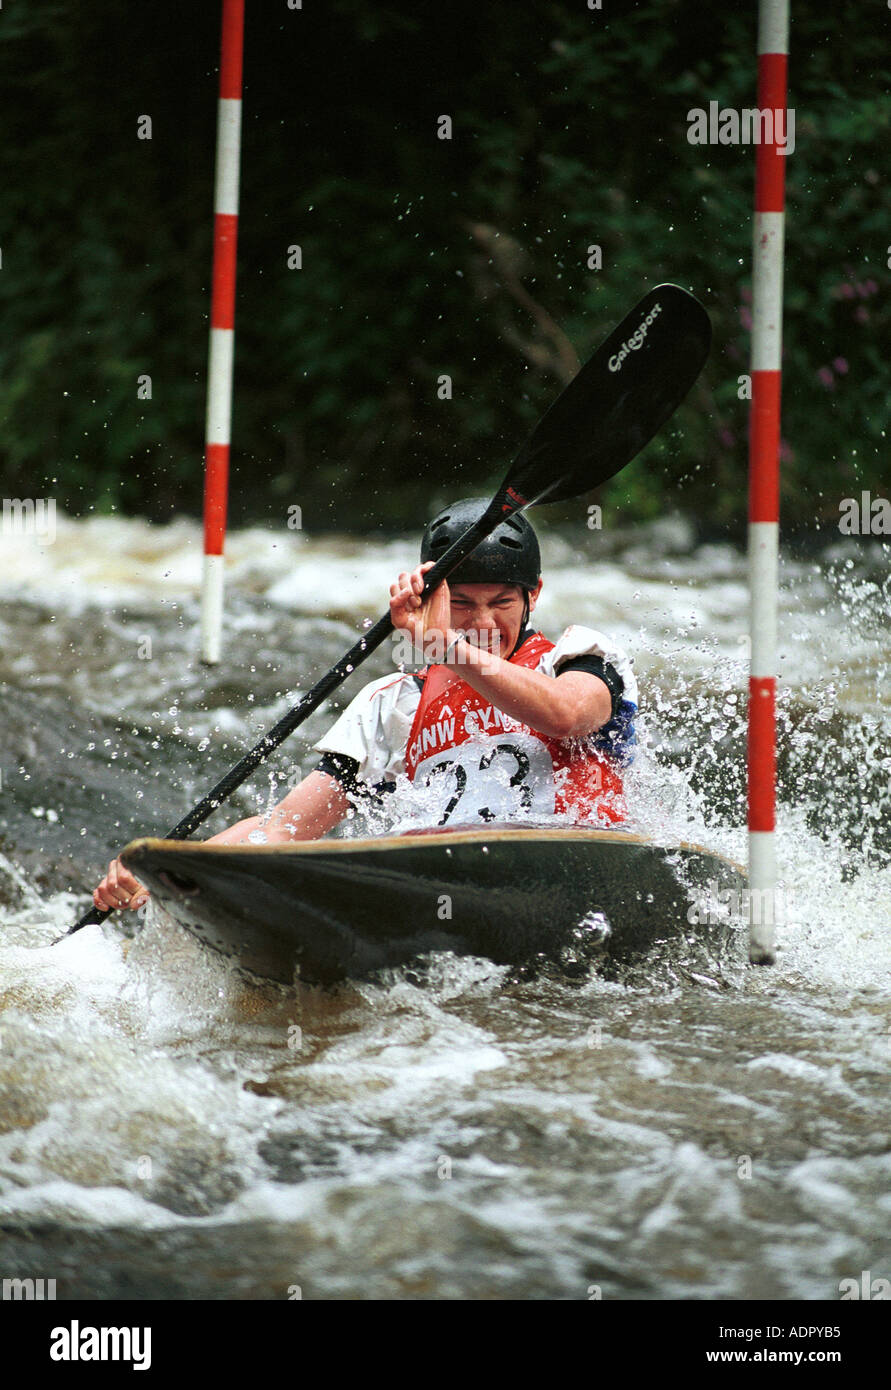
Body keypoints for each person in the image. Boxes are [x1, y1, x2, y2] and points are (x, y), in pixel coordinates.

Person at [93, 499, 638, 913]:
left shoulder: (577, 656)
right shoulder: (391, 705)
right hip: (450, 891)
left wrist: (448, 646)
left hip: (572, 872)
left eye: (502, 603)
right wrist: (164, 870)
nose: (483, 623)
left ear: (534, 594)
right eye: (463, 605)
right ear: (435, 601)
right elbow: (285, 828)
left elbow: (565, 715)